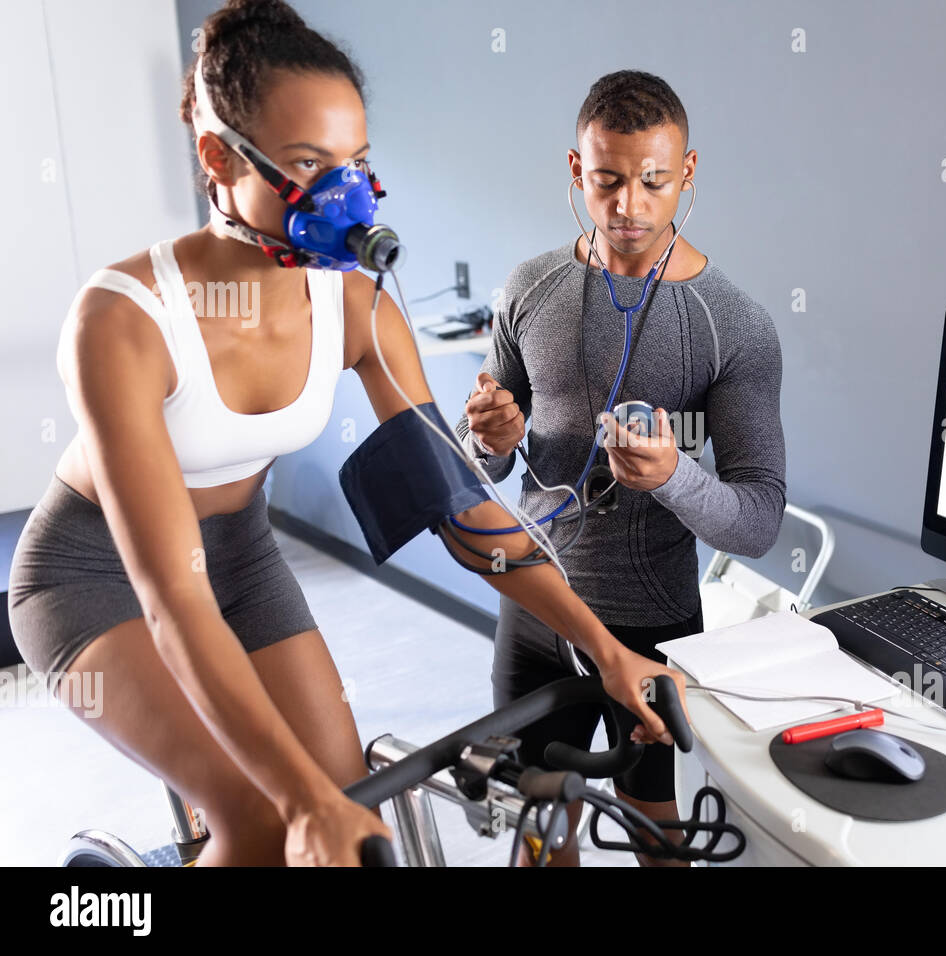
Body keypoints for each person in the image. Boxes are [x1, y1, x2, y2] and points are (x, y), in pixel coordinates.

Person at [6, 0, 684, 867]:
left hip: (241, 558)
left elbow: (462, 514)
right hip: (93, 575)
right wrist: (298, 806)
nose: (349, 196)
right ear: (219, 158)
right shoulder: (123, 319)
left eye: (359, 163)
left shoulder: (357, 303)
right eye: (309, 165)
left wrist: (604, 649)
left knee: (345, 797)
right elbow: (171, 594)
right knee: (265, 820)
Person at [456, 70, 787, 866]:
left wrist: (673, 475)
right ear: (577, 172)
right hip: (533, 608)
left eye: (653, 181)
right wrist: (492, 441)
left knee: (653, 825)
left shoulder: (735, 325)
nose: (629, 206)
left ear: (689, 173)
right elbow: (484, 471)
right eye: (606, 180)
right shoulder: (529, 288)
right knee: (538, 820)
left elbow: (761, 520)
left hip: (650, 623)